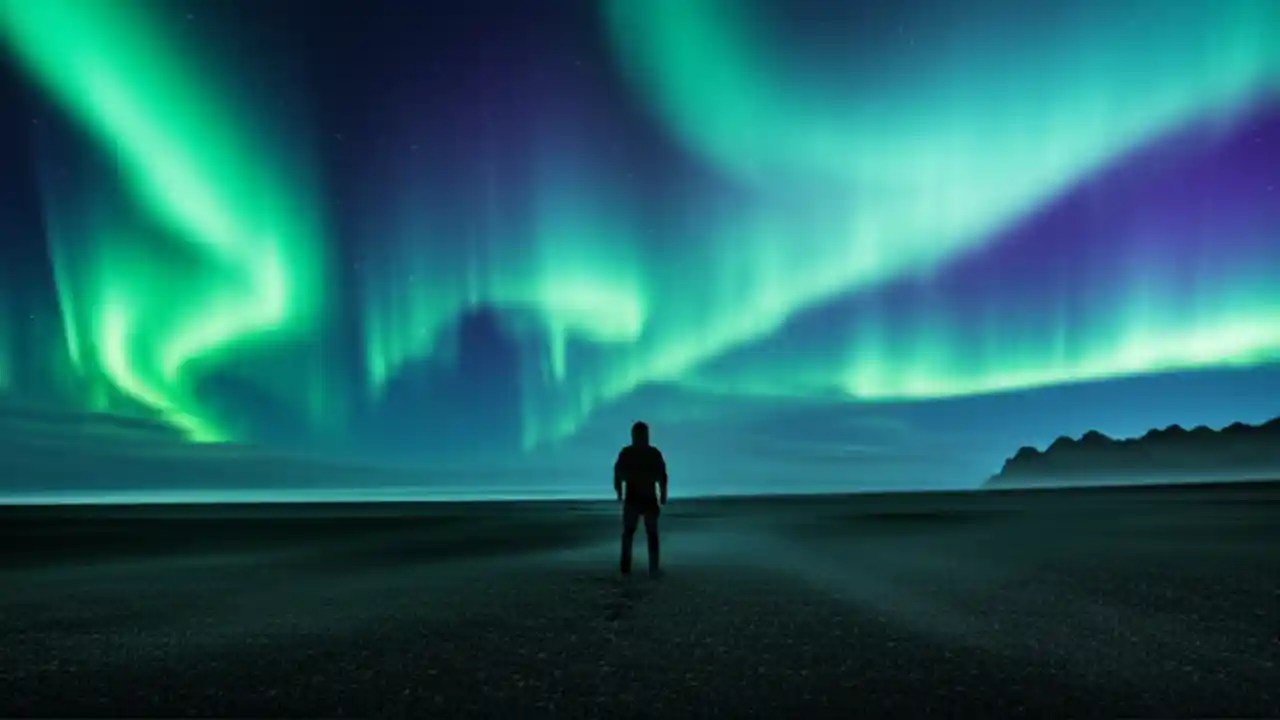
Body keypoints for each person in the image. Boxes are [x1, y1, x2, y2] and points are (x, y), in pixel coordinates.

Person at [614, 421, 667, 577]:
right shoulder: (635, 453)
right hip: (637, 498)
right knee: (635, 534)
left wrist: (663, 493)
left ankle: (644, 567)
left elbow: (662, 476)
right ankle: (632, 567)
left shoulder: (646, 453)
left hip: (642, 499)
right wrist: (619, 491)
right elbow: (618, 474)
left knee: (642, 534)